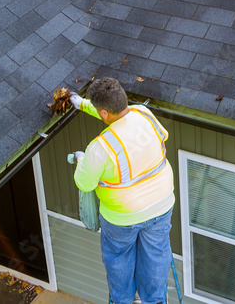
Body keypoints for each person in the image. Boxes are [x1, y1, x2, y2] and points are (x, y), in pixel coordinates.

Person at [66, 77, 174, 304]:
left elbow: (84, 183)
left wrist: (81, 160)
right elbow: (119, 119)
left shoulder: (100, 148)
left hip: (122, 219)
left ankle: (122, 301)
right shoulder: (143, 114)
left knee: (119, 259)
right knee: (155, 256)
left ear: (103, 112)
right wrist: (80, 103)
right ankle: (155, 301)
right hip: (160, 206)